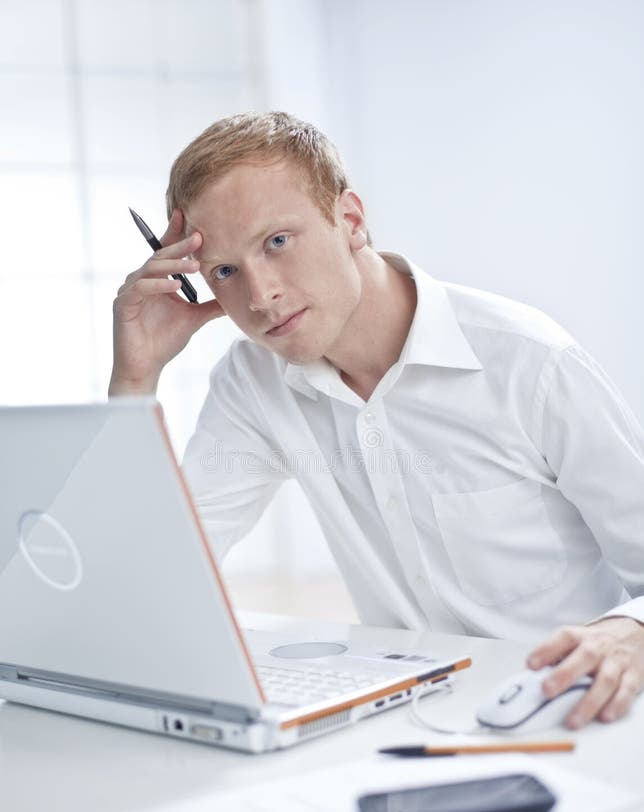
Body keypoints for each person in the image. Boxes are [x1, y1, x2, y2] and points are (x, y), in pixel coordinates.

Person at [110, 110, 644, 729]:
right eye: (224, 271)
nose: (259, 297)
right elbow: (153, 575)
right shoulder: (253, 379)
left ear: (351, 221)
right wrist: (134, 378)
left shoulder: (530, 363)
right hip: (406, 719)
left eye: (277, 242)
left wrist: (629, 630)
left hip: (573, 708)